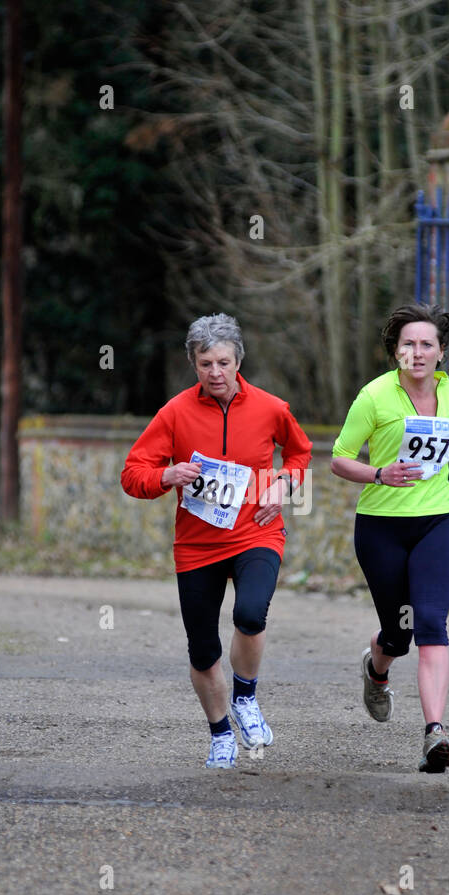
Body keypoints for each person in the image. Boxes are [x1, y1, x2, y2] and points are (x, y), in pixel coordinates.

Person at [120, 313, 312, 768]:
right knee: (203, 648)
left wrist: (284, 484)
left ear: (238, 359)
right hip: (197, 546)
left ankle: (245, 697)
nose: (216, 373)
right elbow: (132, 474)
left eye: (223, 362)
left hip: (256, 531)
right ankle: (220, 733)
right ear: (194, 364)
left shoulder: (271, 408)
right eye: (205, 363)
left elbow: (301, 453)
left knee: (250, 613)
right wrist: (166, 475)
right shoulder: (174, 413)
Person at [330, 301, 449, 772]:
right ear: (395, 352)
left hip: (437, 522)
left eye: (426, 345)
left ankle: (434, 733)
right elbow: (340, 458)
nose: (417, 353)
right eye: (408, 345)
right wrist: (379, 473)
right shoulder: (374, 397)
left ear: (441, 352)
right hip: (381, 527)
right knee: (398, 635)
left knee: (431, 624)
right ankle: (376, 670)